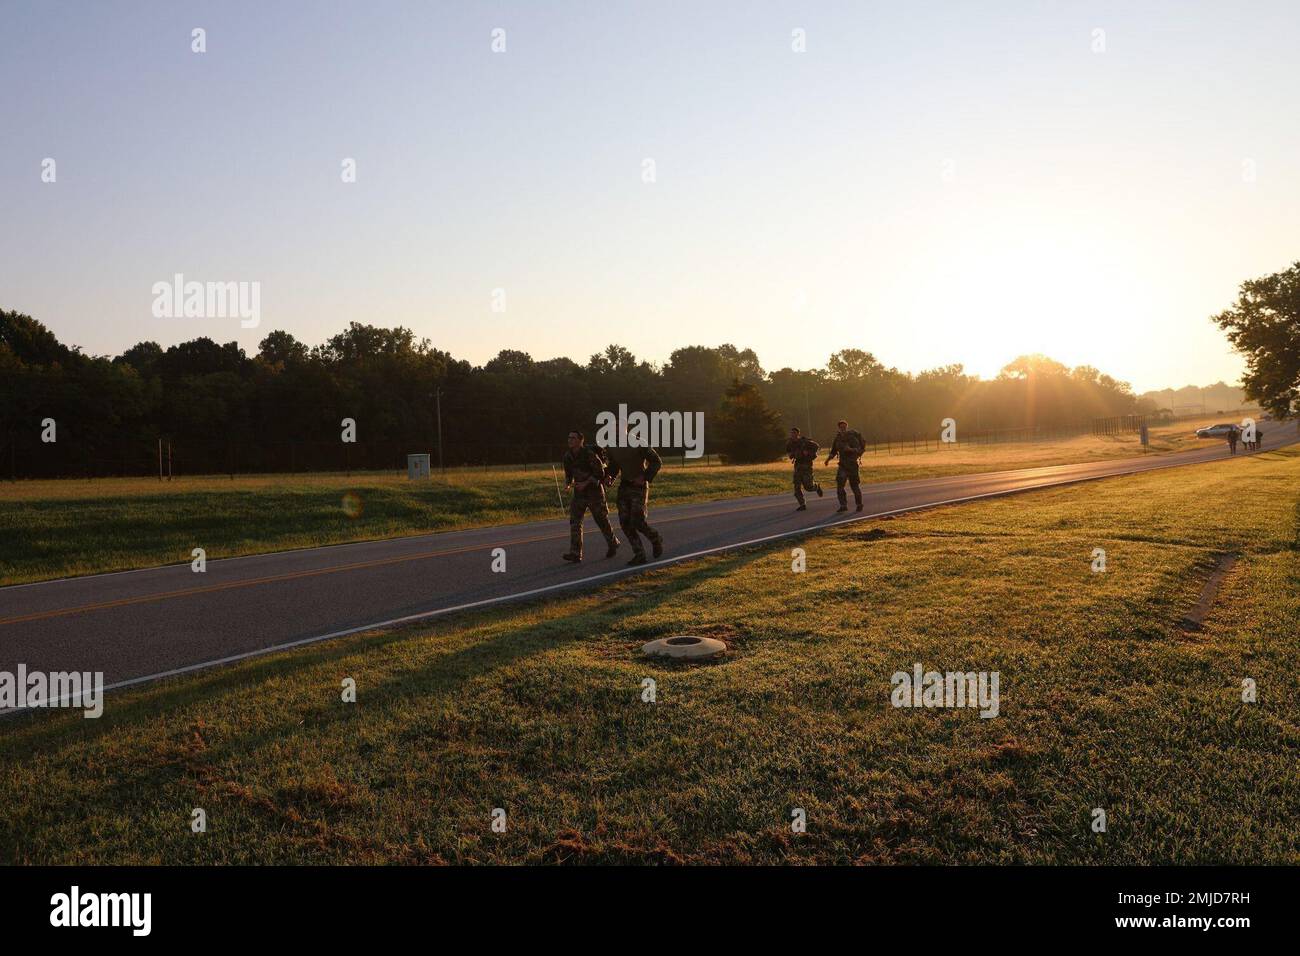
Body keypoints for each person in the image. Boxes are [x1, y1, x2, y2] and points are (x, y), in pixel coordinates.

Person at [603, 438, 665, 566]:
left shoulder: (638, 443)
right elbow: (614, 465)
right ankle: (639, 554)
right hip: (624, 486)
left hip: (638, 486)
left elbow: (656, 461)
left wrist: (645, 477)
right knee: (625, 522)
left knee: (637, 520)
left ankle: (655, 538)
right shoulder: (612, 446)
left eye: (619, 428)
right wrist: (610, 477)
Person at [561, 429, 619, 563]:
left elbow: (600, 473)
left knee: (601, 520)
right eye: (569, 438)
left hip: (595, 493)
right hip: (579, 494)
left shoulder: (589, 454)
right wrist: (568, 484)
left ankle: (613, 543)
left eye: (573, 438)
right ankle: (576, 553)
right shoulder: (568, 456)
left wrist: (586, 483)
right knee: (575, 522)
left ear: (581, 440)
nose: (570, 440)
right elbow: (569, 474)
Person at [825, 419, 865, 513]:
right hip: (842, 465)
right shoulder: (837, 438)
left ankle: (859, 504)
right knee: (840, 486)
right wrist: (828, 460)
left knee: (854, 486)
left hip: (852, 465)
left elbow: (859, 449)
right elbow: (834, 451)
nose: (842, 428)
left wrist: (851, 450)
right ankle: (843, 505)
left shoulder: (852, 437)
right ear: (839, 428)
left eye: (844, 426)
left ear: (846, 427)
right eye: (840, 426)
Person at [785, 426, 822, 511]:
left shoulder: (804, 441)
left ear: (798, 434)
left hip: (807, 466)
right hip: (797, 466)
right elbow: (789, 452)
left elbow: (817, 446)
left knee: (808, 487)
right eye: (791, 433)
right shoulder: (789, 443)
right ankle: (802, 504)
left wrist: (808, 452)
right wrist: (791, 454)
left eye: (794, 433)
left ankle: (816, 486)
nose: (792, 435)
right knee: (796, 487)